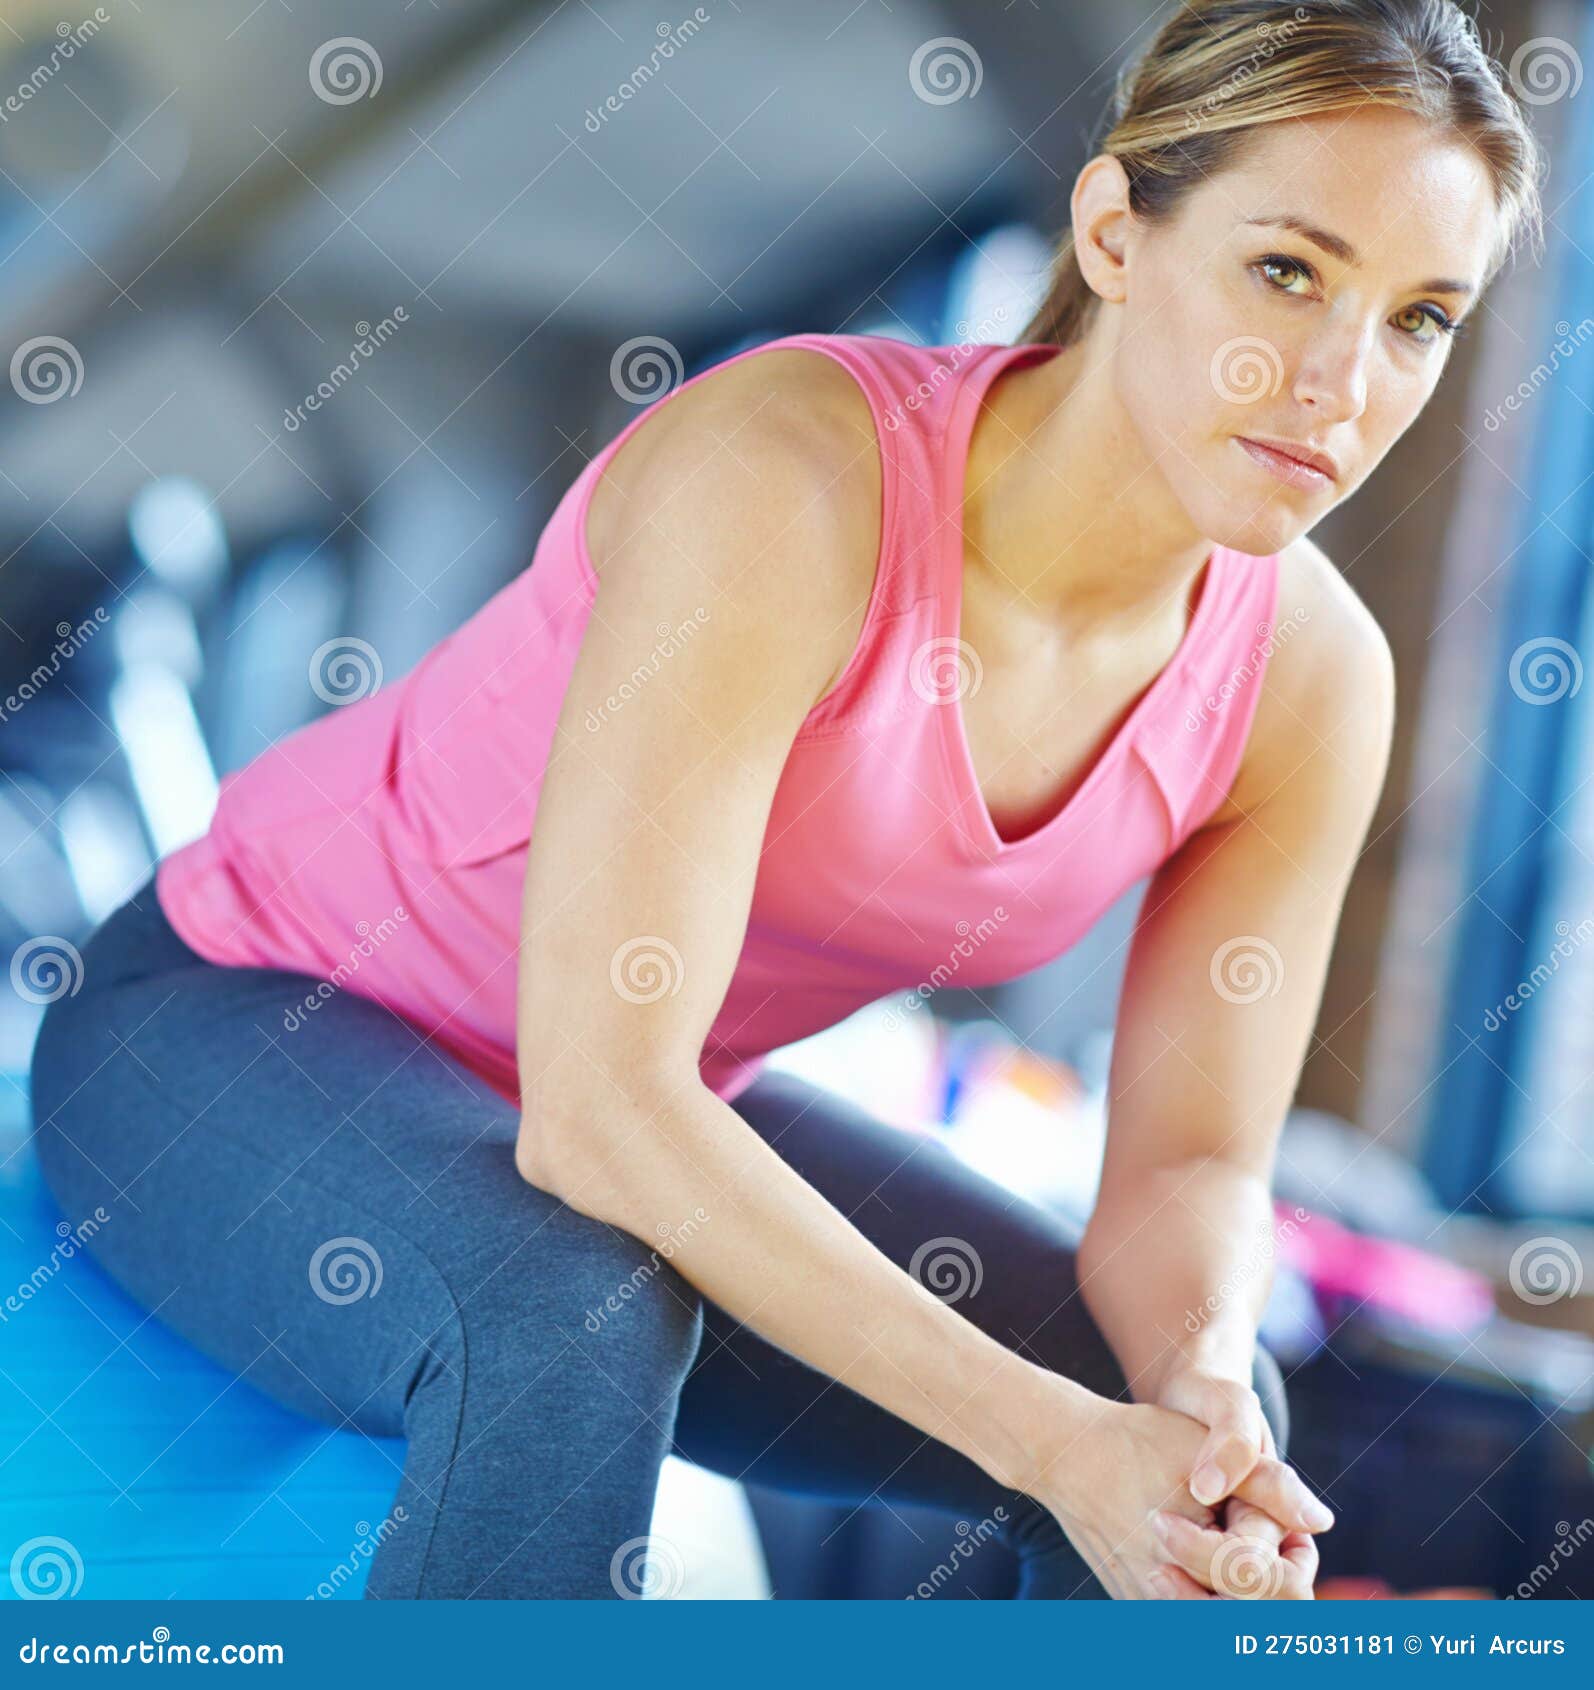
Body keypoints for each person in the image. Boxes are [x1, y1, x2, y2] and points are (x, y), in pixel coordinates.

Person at [28, 0, 1543, 1600]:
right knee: (572, 1316)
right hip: (237, 1013)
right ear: (1113, 231)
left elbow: (1188, 1177)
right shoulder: (792, 477)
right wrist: (1040, 1441)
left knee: (1175, 1435)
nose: (1337, 382)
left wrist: (1202, 1395)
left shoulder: (1310, 677)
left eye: (1419, 319)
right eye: (1287, 271)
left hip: (635, 1094)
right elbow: (603, 1111)